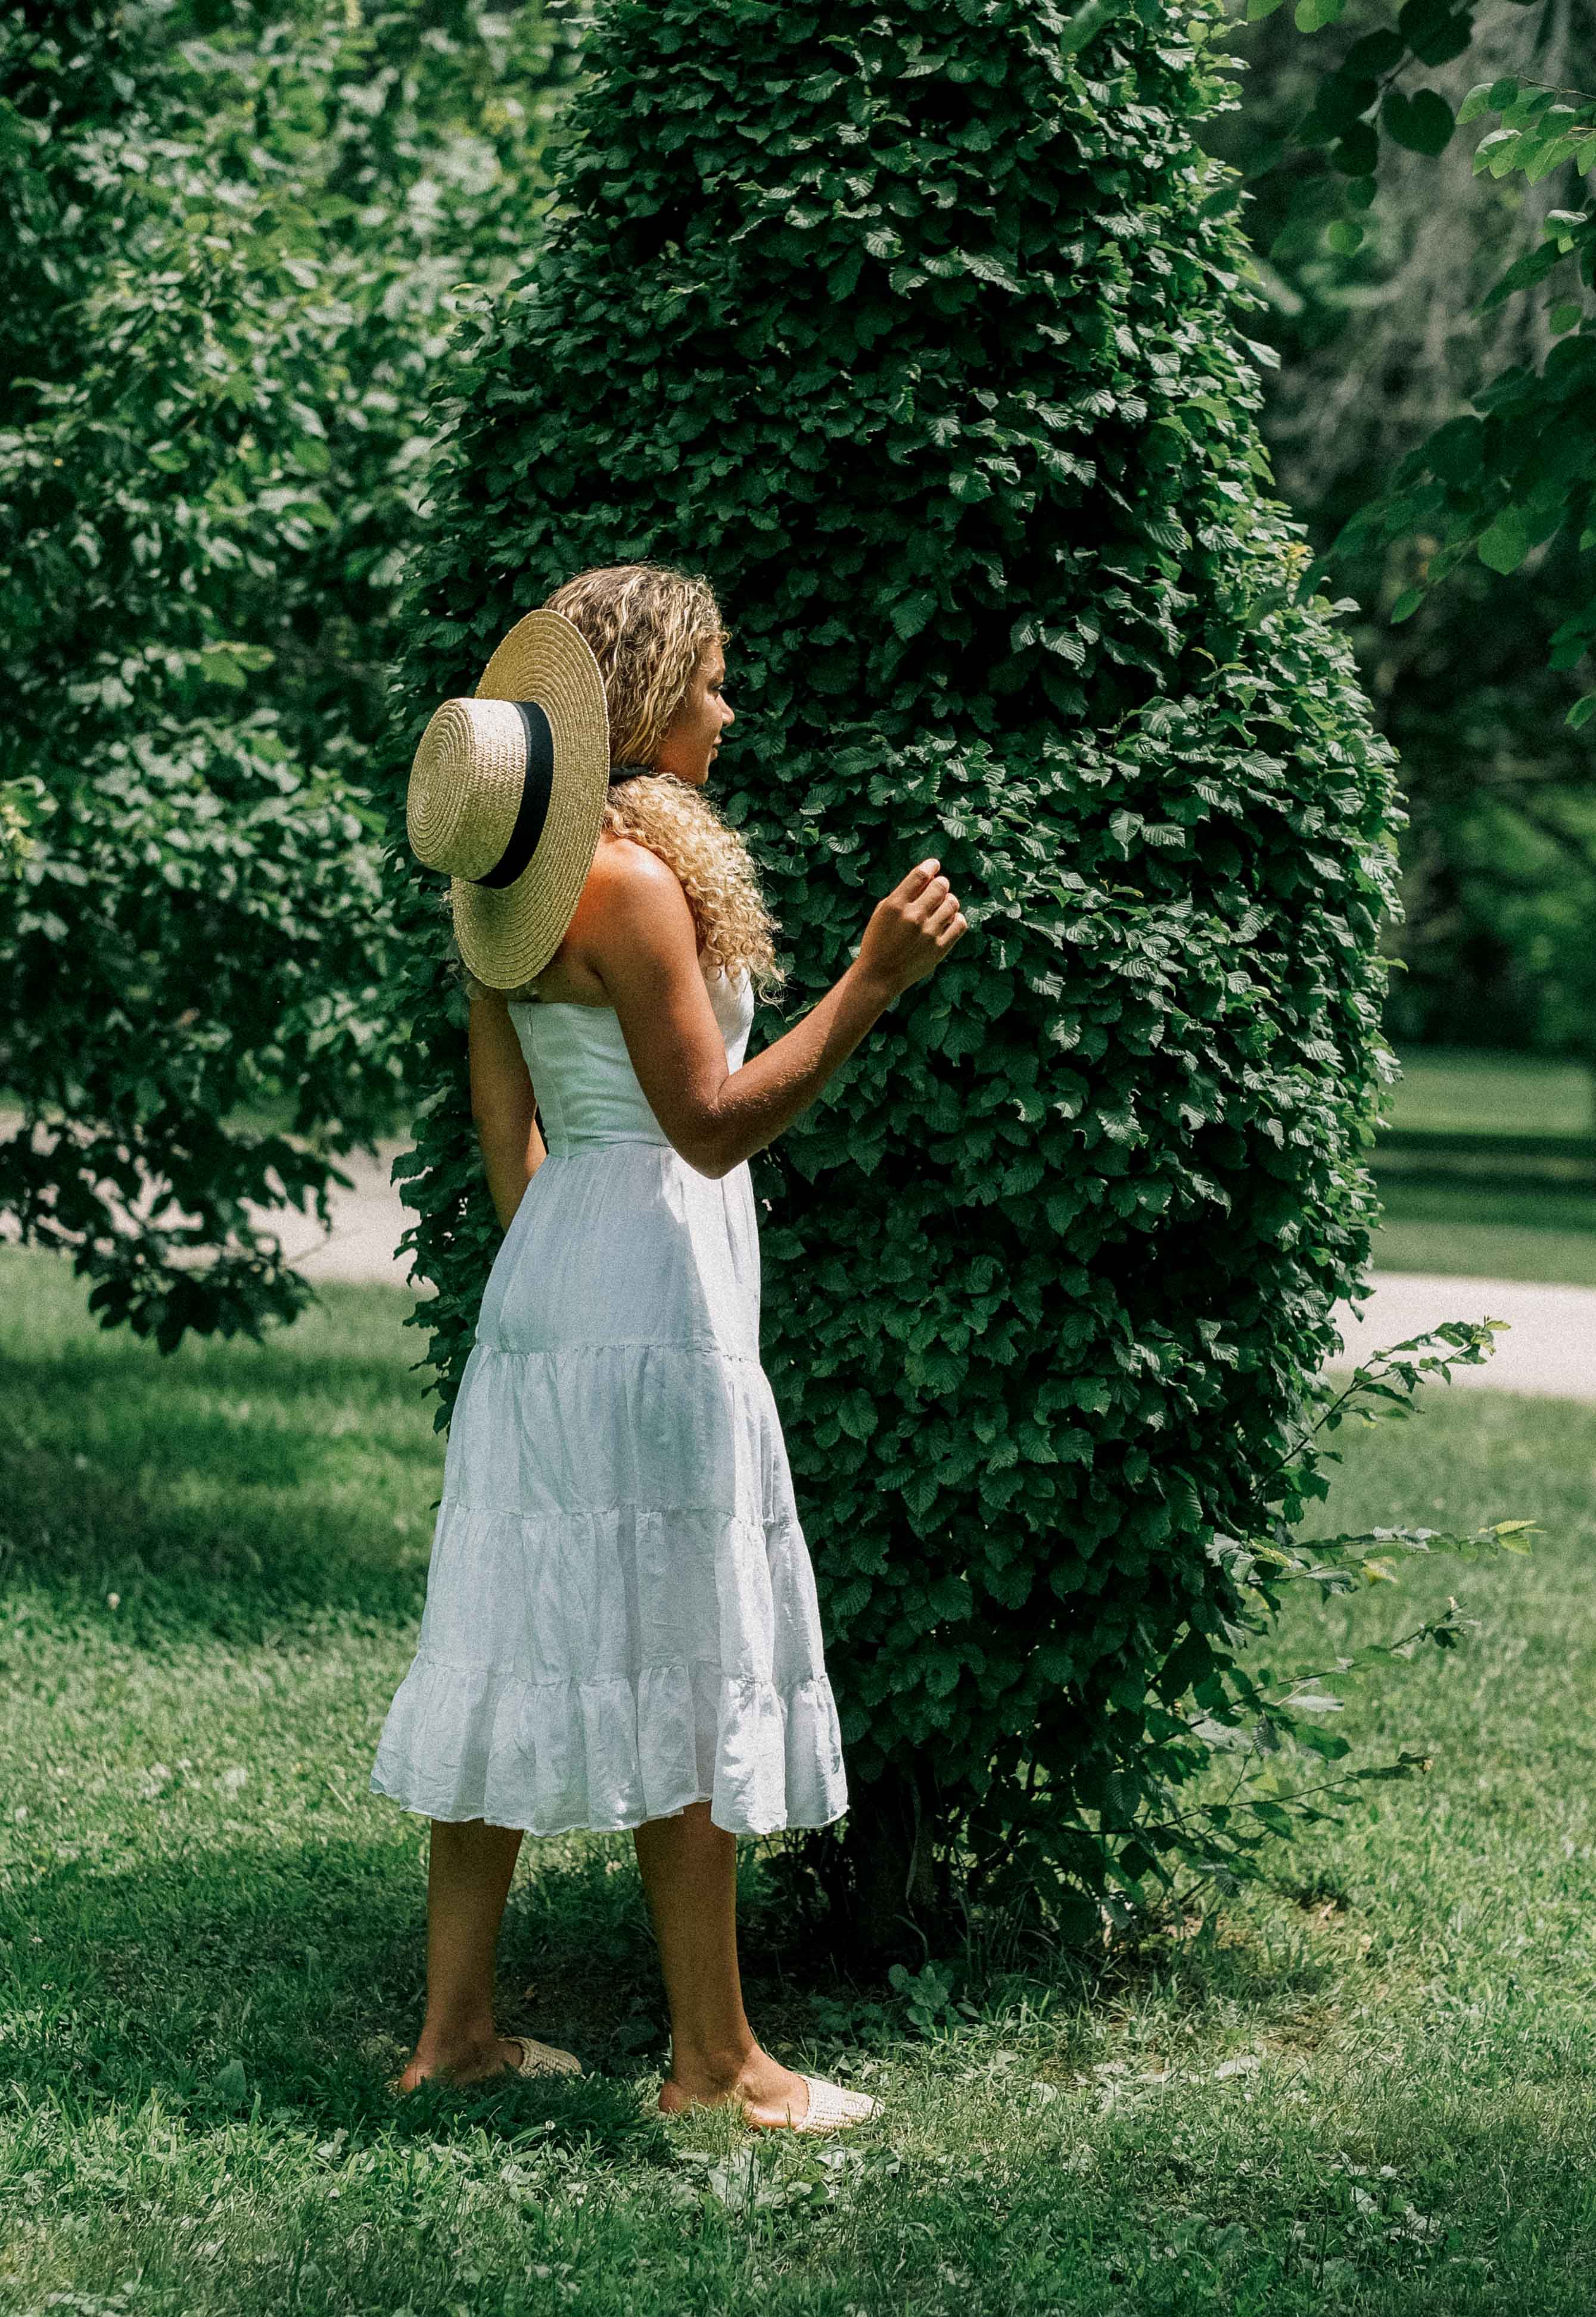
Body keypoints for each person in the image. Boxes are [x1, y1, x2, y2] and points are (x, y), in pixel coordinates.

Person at [370, 562, 967, 2131]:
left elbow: (515, 1155)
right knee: (687, 1651)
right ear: (640, 702)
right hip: (652, 1284)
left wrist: (581, 1254)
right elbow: (709, 1129)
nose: (726, 702)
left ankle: (456, 2034)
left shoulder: (505, 891)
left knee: (513, 1626)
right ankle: (719, 2066)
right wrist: (868, 985)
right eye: (705, 677)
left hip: (554, 1283)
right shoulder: (632, 886)